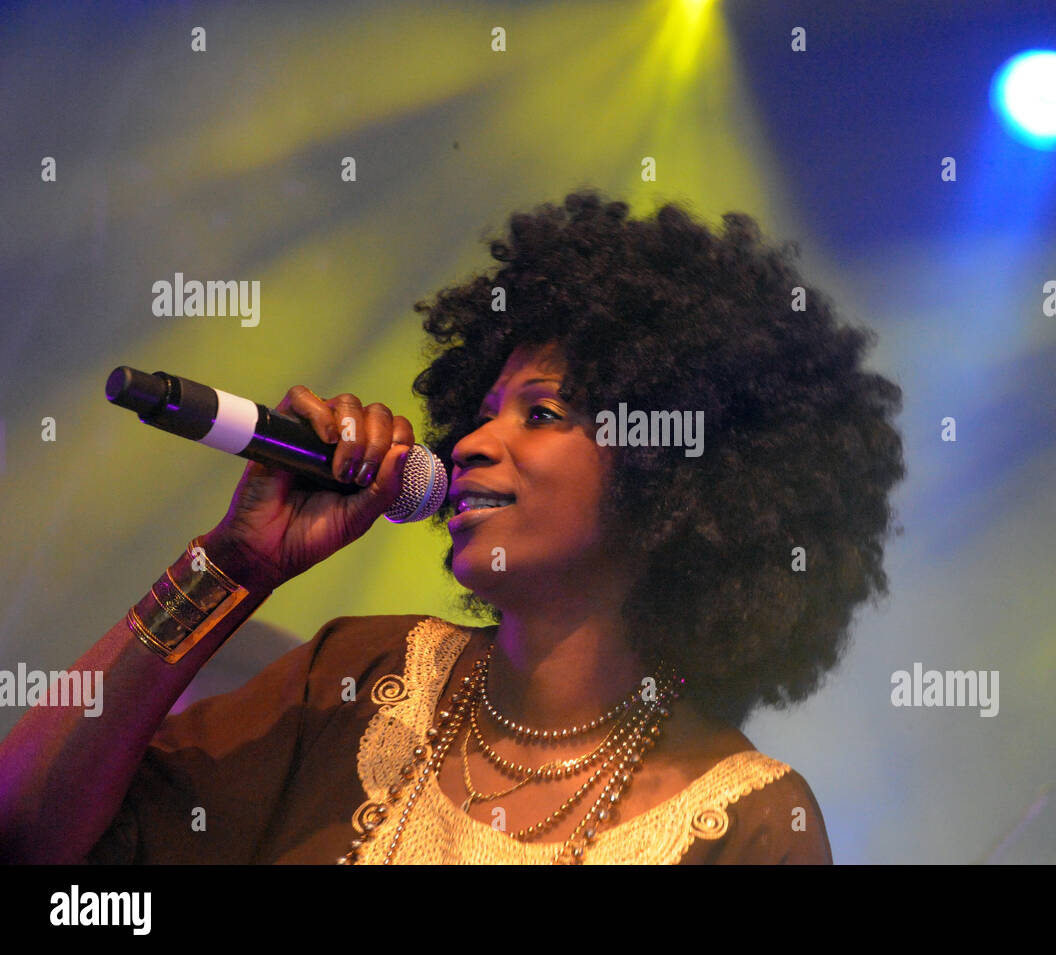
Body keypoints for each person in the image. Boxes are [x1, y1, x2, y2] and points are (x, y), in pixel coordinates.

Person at [0, 189, 905, 864]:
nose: (472, 442)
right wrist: (236, 562)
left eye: (541, 414)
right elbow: (30, 831)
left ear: (682, 478)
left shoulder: (748, 819)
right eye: (480, 410)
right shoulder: (361, 677)